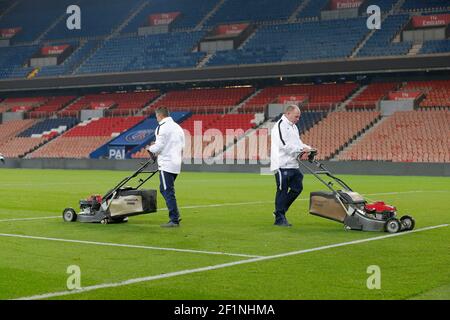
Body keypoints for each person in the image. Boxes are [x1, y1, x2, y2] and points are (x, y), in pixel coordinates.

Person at [270, 105, 314, 227]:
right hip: (281, 164)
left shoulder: (293, 127)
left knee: (297, 188)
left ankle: (280, 210)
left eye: (299, 117)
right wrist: (302, 149)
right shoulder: (280, 126)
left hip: (293, 164)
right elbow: (284, 145)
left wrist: (309, 148)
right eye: (296, 116)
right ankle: (279, 219)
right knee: (282, 190)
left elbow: (298, 143)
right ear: (288, 113)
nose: (298, 119)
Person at [147, 107, 185, 228]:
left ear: (160, 116)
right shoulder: (178, 127)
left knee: (167, 190)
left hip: (166, 163)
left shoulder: (162, 127)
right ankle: (175, 215)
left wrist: (150, 148)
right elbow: (182, 144)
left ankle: (174, 219)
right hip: (176, 163)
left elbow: (159, 146)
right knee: (165, 189)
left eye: (156, 116)